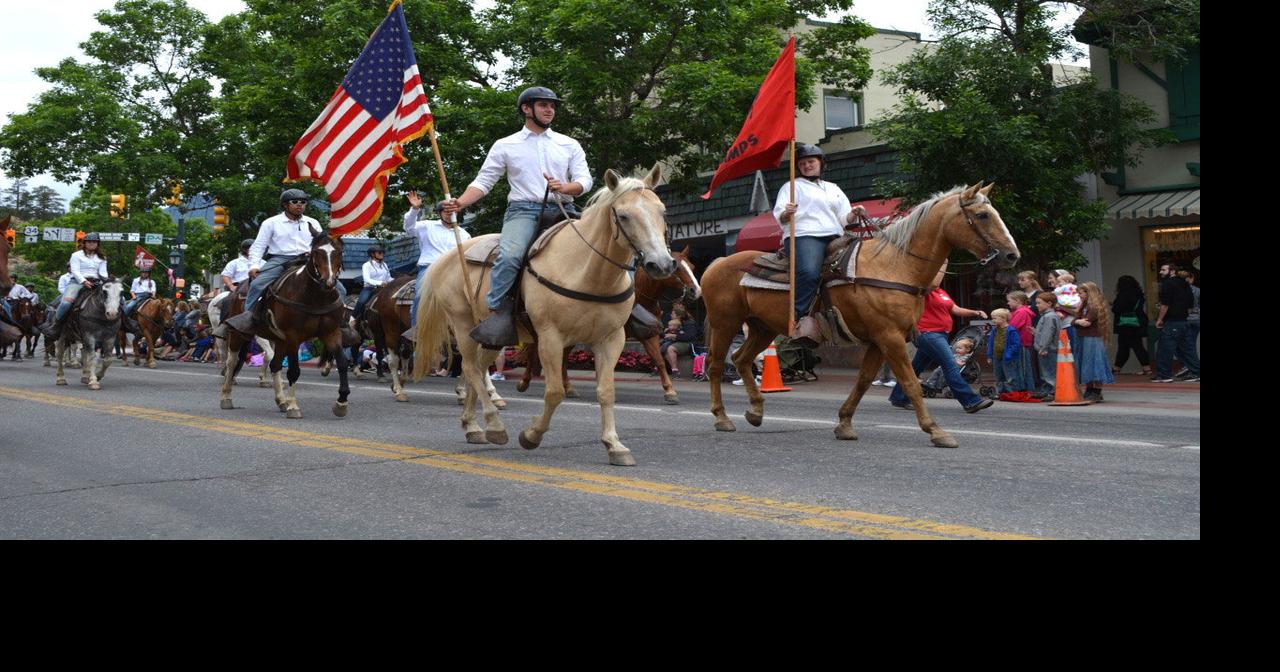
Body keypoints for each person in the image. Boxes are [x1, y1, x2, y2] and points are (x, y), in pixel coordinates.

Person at [440, 86, 592, 348]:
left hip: (563, 208)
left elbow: (585, 180)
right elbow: (484, 181)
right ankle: (498, 313)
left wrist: (566, 188)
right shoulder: (505, 145)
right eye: (543, 105)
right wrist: (460, 203)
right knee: (510, 256)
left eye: (552, 106)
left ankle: (626, 307)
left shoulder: (569, 144)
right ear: (526, 109)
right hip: (523, 210)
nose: (550, 110)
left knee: (606, 244)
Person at [221, 189, 352, 338]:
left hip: (308, 260)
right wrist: (254, 266)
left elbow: (322, 243)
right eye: (295, 202)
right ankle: (247, 318)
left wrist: (314, 252)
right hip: (280, 259)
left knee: (339, 288)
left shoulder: (313, 222)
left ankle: (340, 322)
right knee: (257, 284)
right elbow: (259, 246)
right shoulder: (271, 223)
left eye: (303, 202)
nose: (300, 205)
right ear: (285, 205)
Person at [773, 143, 864, 347]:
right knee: (809, 272)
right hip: (805, 235)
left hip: (834, 235)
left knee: (858, 265)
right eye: (803, 163)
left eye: (811, 162)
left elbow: (843, 218)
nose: (807, 166)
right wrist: (787, 212)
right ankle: (798, 317)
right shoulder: (791, 187)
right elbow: (780, 215)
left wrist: (854, 212)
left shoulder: (833, 188)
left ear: (821, 163)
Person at [888, 263, 994, 413]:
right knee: (950, 364)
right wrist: (943, 262)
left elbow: (955, 309)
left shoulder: (941, 292)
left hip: (940, 334)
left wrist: (974, 312)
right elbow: (934, 282)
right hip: (927, 334)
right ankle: (970, 401)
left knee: (915, 368)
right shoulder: (922, 290)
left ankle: (899, 396)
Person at [403, 191, 471, 329]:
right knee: (421, 295)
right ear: (439, 213)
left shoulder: (464, 234)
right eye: (445, 210)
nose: (449, 213)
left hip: (455, 270)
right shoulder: (427, 226)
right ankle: (417, 330)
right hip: (430, 268)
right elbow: (408, 228)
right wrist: (415, 209)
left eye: (452, 210)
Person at [41, 231, 108, 339]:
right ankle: (55, 325)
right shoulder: (76, 255)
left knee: (115, 299)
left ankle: (116, 326)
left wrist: (103, 282)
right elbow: (75, 271)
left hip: (96, 283)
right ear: (85, 243)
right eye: (89, 241)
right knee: (66, 303)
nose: (92, 243)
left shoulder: (102, 258)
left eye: (94, 242)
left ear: (98, 244)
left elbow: (103, 273)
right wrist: (84, 281)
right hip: (77, 282)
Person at [1152, 262, 1200, 383]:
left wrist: (1160, 319)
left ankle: (1164, 375)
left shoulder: (1167, 284)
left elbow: (1165, 304)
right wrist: (1183, 313)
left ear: (1172, 271)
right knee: (1187, 349)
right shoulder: (1184, 283)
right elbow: (1190, 302)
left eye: (1163, 270)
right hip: (1184, 321)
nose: (1160, 272)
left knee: (1165, 348)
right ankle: (1196, 372)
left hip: (1172, 321)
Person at [1072, 281, 1114, 402]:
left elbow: (1087, 322)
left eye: (1080, 293)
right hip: (1084, 337)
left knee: (1095, 363)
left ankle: (1096, 391)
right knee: (1086, 364)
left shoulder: (1094, 307)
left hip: (1092, 338)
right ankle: (1089, 389)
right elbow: (1075, 321)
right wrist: (1078, 318)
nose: (1079, 296)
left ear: (1088, 293)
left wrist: (1078, 321)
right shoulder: (1084, 306)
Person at [1111, 275, 1151, 375]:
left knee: (1126, 346)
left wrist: (1113, 305)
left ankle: (1117, 368)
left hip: (1126, 324)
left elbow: (1117, 309)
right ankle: (1118, 368)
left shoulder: (1123, 294)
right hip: (1137, 321)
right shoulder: (1139, 294)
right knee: (1135, 345)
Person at [1032, 291, 1065, 399]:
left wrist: (1043, 347)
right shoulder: (1049, 316)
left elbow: (1048, 333)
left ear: (1049, 303)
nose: (1037, 305)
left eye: (1039, 303)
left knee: (1049, 372)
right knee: (1046, 371)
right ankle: (1047, 390)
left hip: (1048, 349)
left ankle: (1052, 391)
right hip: (1048, 348)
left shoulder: (1049, 317)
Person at [1007, 291, 1037, 392]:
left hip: (1021, 343)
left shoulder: (1021, 312)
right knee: (1024, 366)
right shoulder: (1022, 311)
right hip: (1022, 343)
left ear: (1018, 301)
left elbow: (1012, 327)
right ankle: (1026, 389)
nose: (1008, 303)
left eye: (1009, 301)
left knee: (1022, 367)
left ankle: (1025, 389)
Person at [987, 309, 1023, 393]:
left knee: (1010, 375)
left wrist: (1009, 354)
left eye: (995, 318)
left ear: (1003, 318)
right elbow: (991, 343)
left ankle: (1012, 392)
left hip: (1008, 357)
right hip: (996, 356)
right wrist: (989, 355)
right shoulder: (994, 330)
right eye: (992, 318)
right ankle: (1001, 392)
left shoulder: (1011, 330)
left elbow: (1016, 344)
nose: (993, 320)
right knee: (998, 375)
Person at [353, 244, 390, 323]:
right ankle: (353, 320)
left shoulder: (384, 265)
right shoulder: (366, 265)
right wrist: (380, 283)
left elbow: (388, 278)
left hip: (384, 288)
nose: (382, 254)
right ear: (372, 254)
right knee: (362, 301)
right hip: (370, 288)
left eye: (383, 252)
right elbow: (367, 279)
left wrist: (397, 280)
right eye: (379, 252)